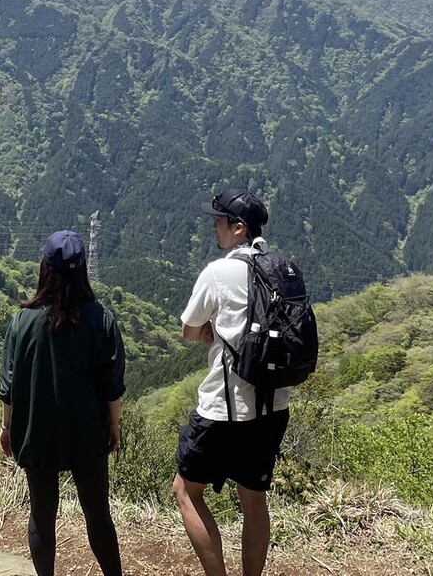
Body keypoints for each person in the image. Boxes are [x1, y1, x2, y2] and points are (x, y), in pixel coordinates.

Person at [174, 187, 289, 576]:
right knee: (254, 501)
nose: (214, 228)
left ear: (239, 228)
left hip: (223, 406)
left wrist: (210, 330)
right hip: (273, 405)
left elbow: (189, 329)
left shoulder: (219, 272)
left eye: (219, 222)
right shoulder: (282, 269)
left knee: (186, 491)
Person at [0, 230, 125, 576]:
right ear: (82, 269)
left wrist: (7, 426)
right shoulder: (100, 318)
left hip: (36, 429)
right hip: (87, 430)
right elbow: (112, 384)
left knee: (41, 511)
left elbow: (8, 384)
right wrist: (114, 424)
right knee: (97, 511)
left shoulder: (23, 320)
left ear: (44, 267)